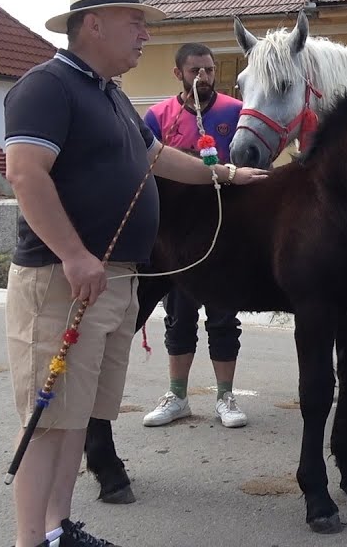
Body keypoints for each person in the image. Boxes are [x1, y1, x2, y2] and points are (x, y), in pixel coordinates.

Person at [3, 0, 269, 547]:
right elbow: (25, 174)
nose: (146, 34)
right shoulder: (46, 87)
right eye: (135, 22)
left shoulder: (112, 96)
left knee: (78, 417)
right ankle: (31, 540)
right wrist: (74, 256)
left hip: (113, 281)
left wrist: (222, 173)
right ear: (93, 24)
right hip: (61, 281)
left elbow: (161, 160)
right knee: (47, 421)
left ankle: (57, 528)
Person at [140, 43, 249, 428]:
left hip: (224, 232)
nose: (203, 77)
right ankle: (178, 396)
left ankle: (226, 397)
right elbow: (146, 171)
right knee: (178, 317)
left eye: (209, 70)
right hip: (179, 237)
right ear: (178, 74)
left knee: (223, 318)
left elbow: (252, 161)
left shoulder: (235, 113)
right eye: (195, 71)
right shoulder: (157, 117)